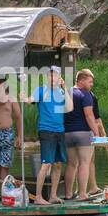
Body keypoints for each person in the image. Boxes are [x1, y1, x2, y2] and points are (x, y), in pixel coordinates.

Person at [29, 65, 68, 205]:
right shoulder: (40, 90)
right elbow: (31, 99)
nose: (52, 77)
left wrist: (65, 88)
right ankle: (38, 197)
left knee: (58, 164)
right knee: (46, 164)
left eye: (55, 75)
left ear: (59, 78)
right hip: (46, 130)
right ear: (47, 77)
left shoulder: (62, 93)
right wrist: (25, 97)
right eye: (50, 75)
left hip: (60, 130)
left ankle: (53, 195)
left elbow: (69, 107)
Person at [63, 69, 99, 202]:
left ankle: (68, 194)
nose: (92, 84)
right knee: (84, 163)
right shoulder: (86, 94)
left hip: (67, 133)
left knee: (71, 164)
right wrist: (96, 132)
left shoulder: (65, 93)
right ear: (81, 80)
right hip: (83, 132)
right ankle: (83, 193)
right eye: (90, 81)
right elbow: (89, 116)